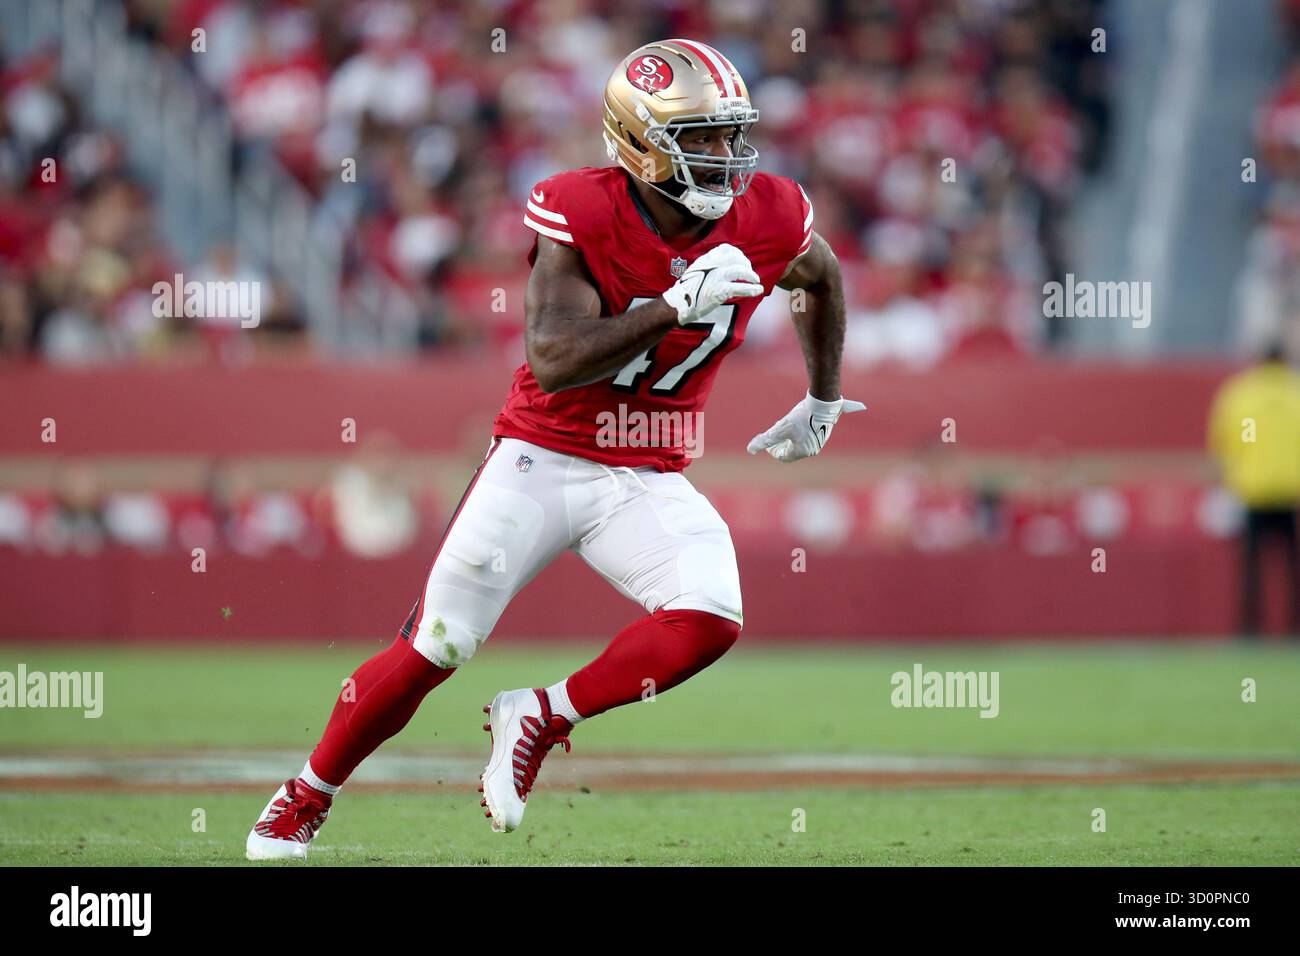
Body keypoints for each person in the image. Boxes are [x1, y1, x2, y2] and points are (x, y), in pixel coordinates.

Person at [246, 39, 864, 859]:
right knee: (438, 644)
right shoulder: (582, 207)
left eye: (730, 134)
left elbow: (819, 279)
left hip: (645, 470)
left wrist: (821, 397)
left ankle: (540, 715)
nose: (726, 156)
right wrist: (673, 304)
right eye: (703, 138)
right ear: (643, 141)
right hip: (543, 455)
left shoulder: (771, 213)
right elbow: (555, 356)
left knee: (712, 614)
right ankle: (301, 797)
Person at [1207, 343, 1300, 636]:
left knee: (1251, 566)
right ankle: (1293, 626)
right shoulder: (1295, 392)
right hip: (1289, 490)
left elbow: (1222, 442)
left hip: (1253, 489)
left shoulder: (1240, 393)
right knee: (1292, 564)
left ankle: (1250, 626)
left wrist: (1229, 478)